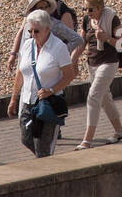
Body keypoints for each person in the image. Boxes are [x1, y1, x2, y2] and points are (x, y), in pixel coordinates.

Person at [9, 9, 74, 157]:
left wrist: (51, 90)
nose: (33, 35)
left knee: (43, 149)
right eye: (30, 31)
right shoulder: (27, 45)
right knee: (26, 139)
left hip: (48, 104)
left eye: (36, 31)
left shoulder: (59, 47)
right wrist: (13, 99)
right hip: (27, 102)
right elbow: (20, 73)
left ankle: (48, 169)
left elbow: (69, 75)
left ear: (47, 29)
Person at [75, 0, 122, 150]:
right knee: (105, 98)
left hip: (109, 62)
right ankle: (119, 131)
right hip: (92, 63)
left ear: (100, 8)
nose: (87, 13)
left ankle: (87, 140)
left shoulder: (112, 18)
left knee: (93, 97)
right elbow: (82, 42)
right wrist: (73, 59)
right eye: (85, 9)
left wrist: (106, 38)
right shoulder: (87, 20)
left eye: (90, 9)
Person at [7, 0, 84, 71]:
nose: (44, 10)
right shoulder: (27, 24)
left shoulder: (54, 24)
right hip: (26, 66)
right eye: (40, 8)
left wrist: (58, 54)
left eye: (46, 7)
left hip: (45, 70)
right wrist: (13, 55)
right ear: (33, 9)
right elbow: (22, 40)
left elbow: (77, 39)